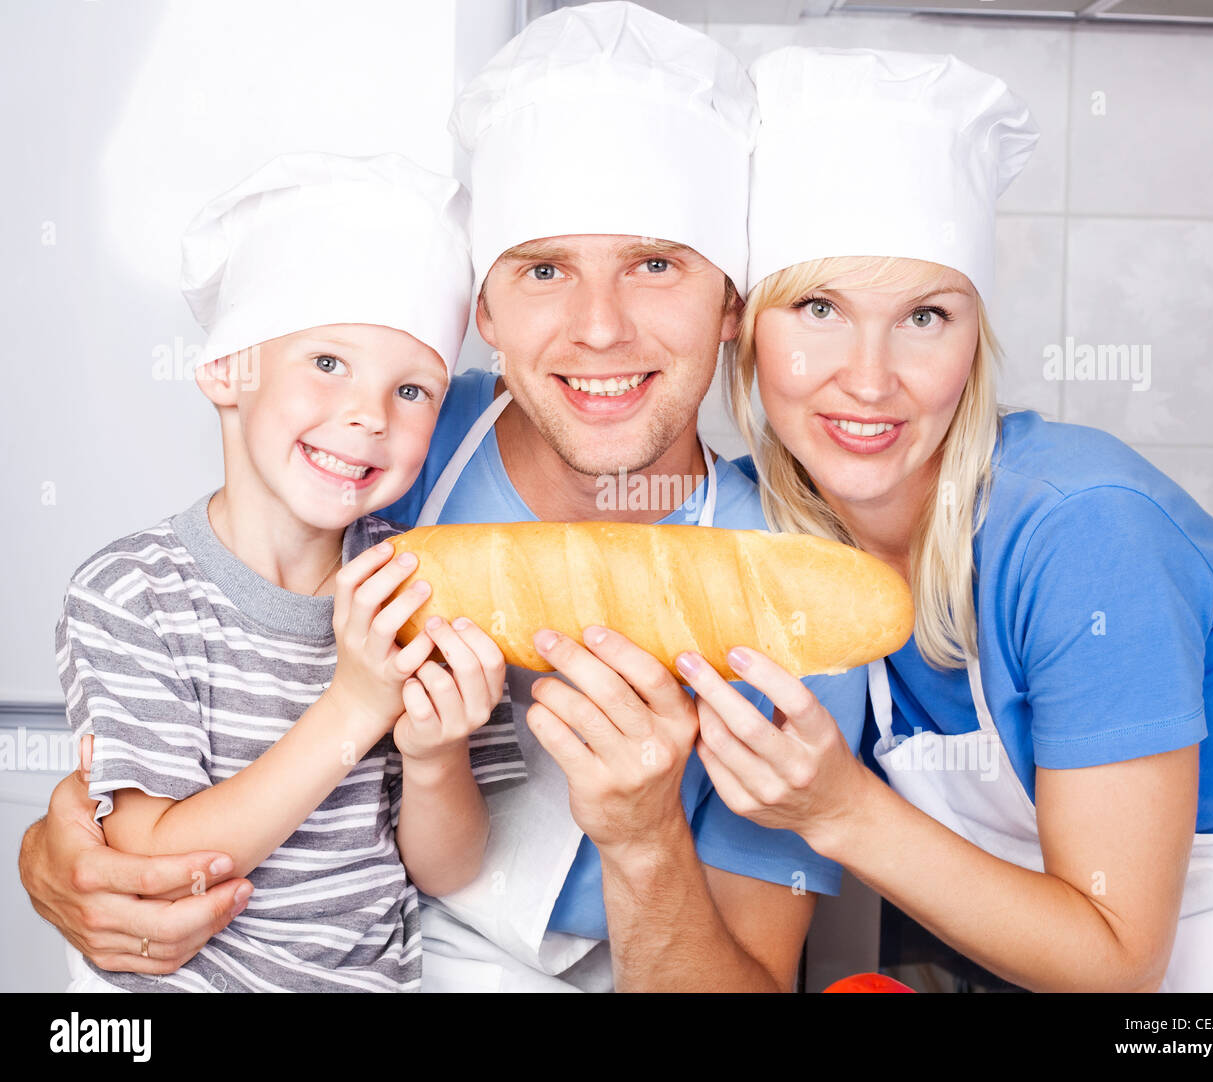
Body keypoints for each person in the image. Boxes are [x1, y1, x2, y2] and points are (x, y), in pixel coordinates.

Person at [22, 2, 868, 993]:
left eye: (654, 263)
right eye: (543, 268)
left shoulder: (798, 595)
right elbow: (194, 654)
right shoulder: (390, 458)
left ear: (730, 301)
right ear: (485, 310)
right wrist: (57, 846)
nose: (599, 329)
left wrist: (643, 837)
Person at [672, 45, 1213, 992]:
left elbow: (1118, 968)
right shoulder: (769, 538)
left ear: (974, 339)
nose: (872, 378)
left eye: (925, 316)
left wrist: (838, 810)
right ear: (745, 328)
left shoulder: (1082, 533)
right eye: (818, 308)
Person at [55, 151, 524, 992]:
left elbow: (449, 872)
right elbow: (152, 855)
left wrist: (432, 757)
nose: (368, 415)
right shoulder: (132, 596)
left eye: (413, 390)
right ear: (227, 368)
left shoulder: (414, 587)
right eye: (328, 362)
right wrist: (354, 706)